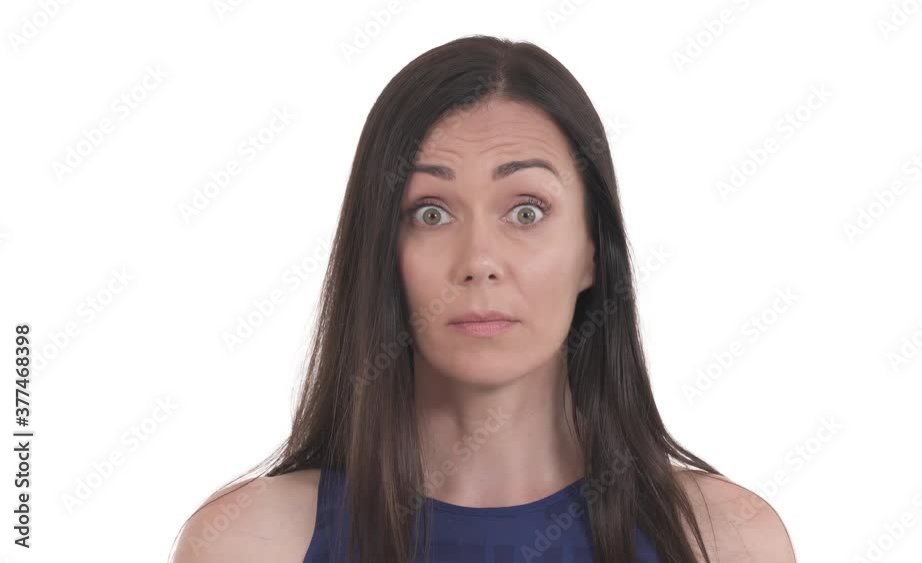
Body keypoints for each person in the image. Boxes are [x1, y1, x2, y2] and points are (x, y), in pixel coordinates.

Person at [170, 34, 796, 563]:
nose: (479, 263)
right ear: (382, 254)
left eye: (527, 210)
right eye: (431, 213)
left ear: (591, 251)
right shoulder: (252, 544)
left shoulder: (727, 541)